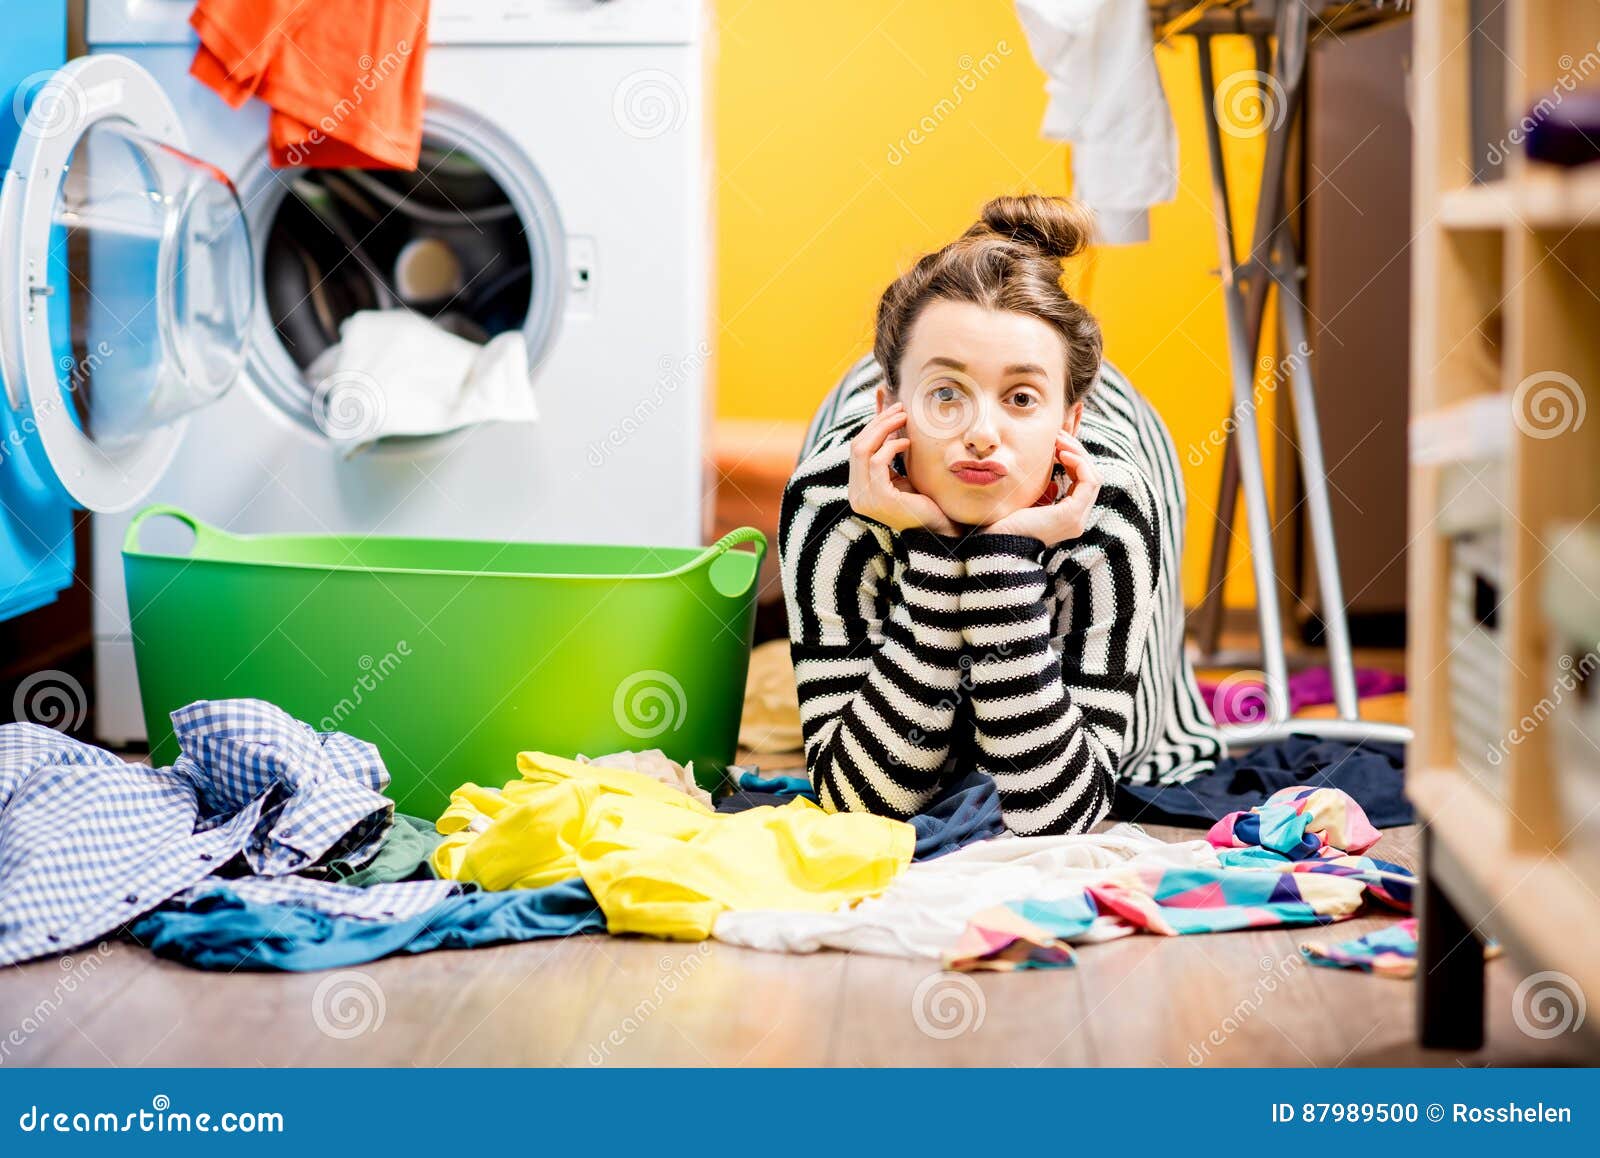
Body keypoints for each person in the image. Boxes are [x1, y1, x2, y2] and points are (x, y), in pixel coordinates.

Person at [777, 193, 1224, 837]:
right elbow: (859, 802)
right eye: (945, 394)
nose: (982, 434)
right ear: (887, 410)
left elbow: (1059, 812)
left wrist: (1003, 559)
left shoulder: (1110, 509)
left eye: (1020, 398)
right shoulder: (830, 502)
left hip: (1116, 440)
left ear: (1069, 421)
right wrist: (933, 547)